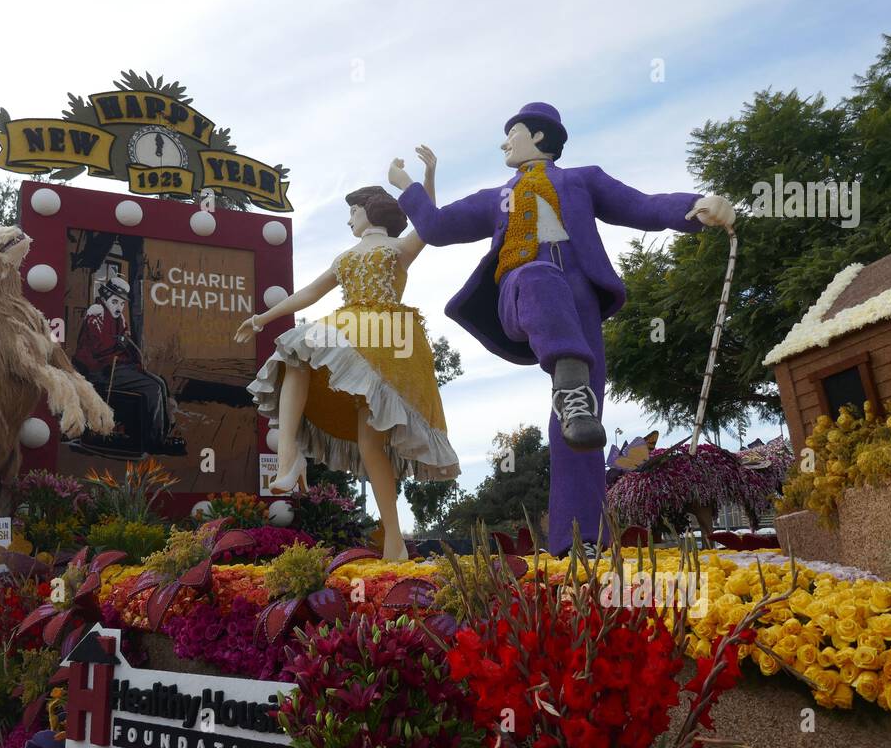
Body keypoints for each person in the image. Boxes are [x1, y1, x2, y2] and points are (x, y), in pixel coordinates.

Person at [388, 103, 735, 553]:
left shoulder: (582, 180)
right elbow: (434, 227)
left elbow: (641, 205)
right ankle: (569, 382)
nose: (503, 143)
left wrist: (695, 206)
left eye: (511, 134)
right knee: (539, 275)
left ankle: (580, 540)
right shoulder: (497, 197)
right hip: (521, 293)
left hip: (580, 304)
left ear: (538, 137)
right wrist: (407, 186)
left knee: (581, 419)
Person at [237, 155, 460, 561]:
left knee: (369, 442)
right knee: (296, 355)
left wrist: (427, 178)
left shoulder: (398, 247)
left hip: (387, 342)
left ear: (369, 211)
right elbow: (309, 292)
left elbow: (429, 222)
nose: (349, 220)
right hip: (352, 331)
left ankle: (393, 538)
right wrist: (262, 317)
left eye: (353, 211)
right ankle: (290, 456)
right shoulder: (344, 257)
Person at [73, 275, 184, 455]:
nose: (119, 307)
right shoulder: (96, 313)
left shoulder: (119, 319)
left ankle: (160, 435)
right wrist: (120, 345)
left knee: (160, 382)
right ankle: (153, 442)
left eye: (122, 303)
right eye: (115, 301)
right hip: (100, 371)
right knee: (152, 387)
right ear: (106, 298)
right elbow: (97, 349)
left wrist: (130, 353)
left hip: (117, 367)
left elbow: (125, 344)